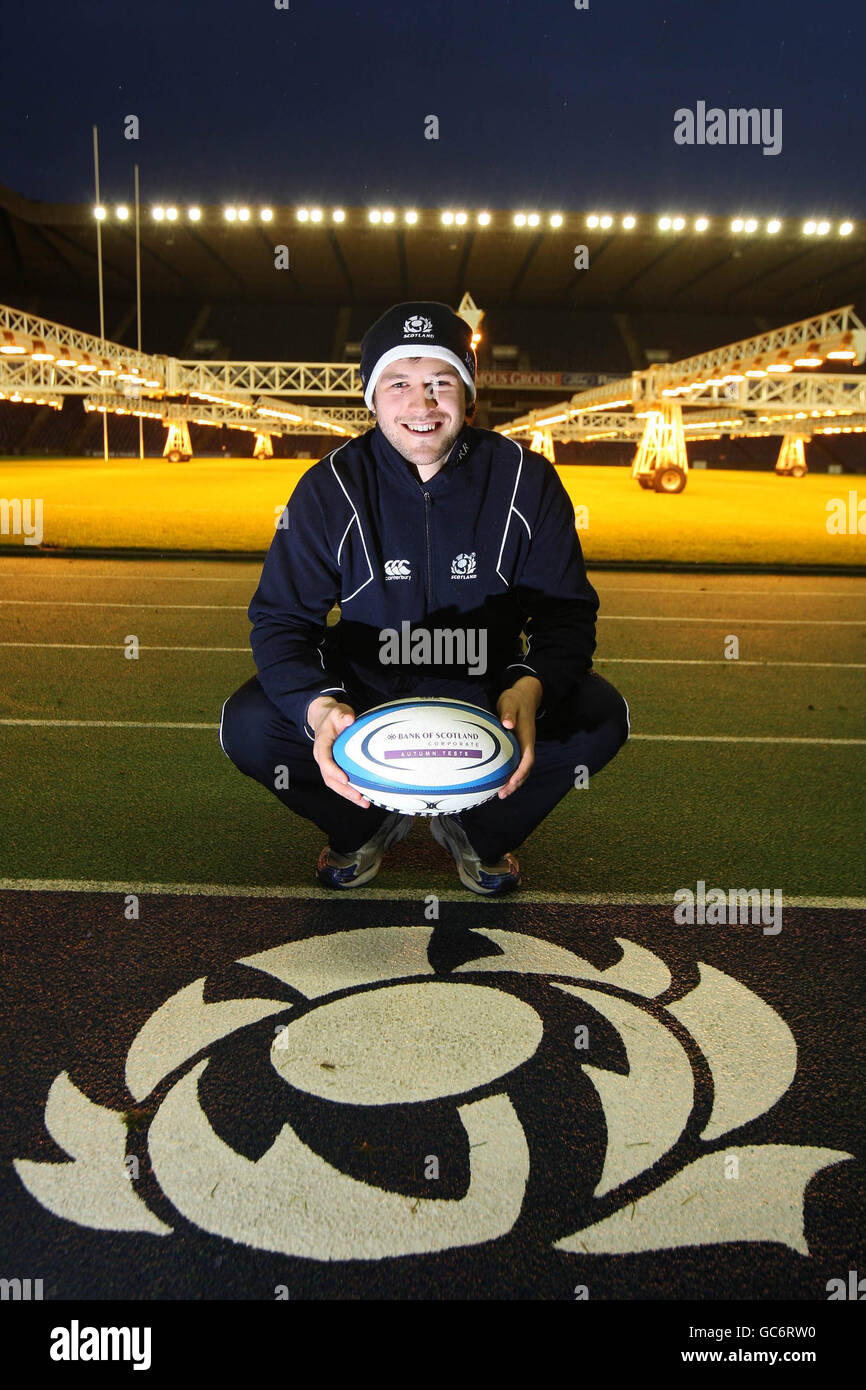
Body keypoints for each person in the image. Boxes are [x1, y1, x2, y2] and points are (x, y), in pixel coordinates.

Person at [219, 301, 629, 895]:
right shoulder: (329, 486)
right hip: (367, 691)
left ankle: (477, 830)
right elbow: (282, 619)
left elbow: (565, 612)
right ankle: (362, 823)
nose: (421, 405)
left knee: (601, 716)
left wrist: (529, 689)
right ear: (371, 396)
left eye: (440, 383)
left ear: (467, 392)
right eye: (400, 384)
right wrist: (320, 708)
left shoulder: (526, 479)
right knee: (250, 723)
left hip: (489, 692)